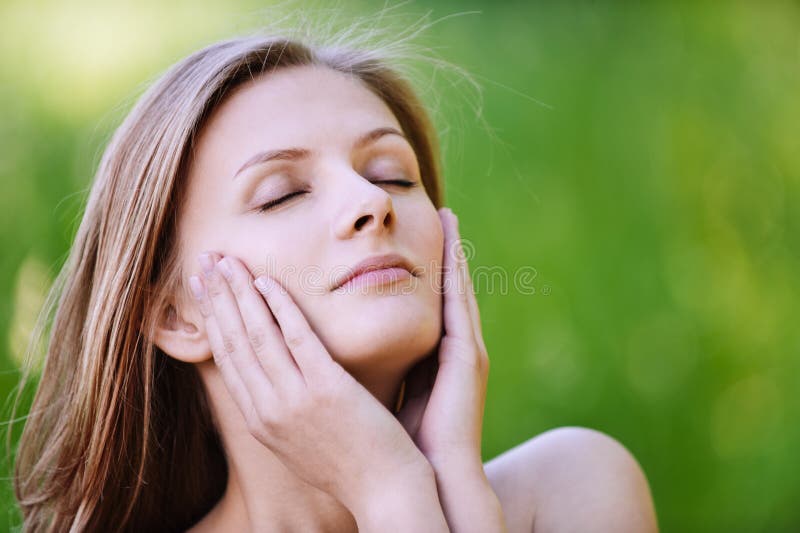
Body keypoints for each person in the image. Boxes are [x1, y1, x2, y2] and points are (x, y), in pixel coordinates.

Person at [13, 26, 658, 532]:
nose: (369, 204)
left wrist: (432, 490)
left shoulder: (575, 491)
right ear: (177, 316)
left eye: (391, 176)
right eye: (281, 194)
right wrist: (390, 494)